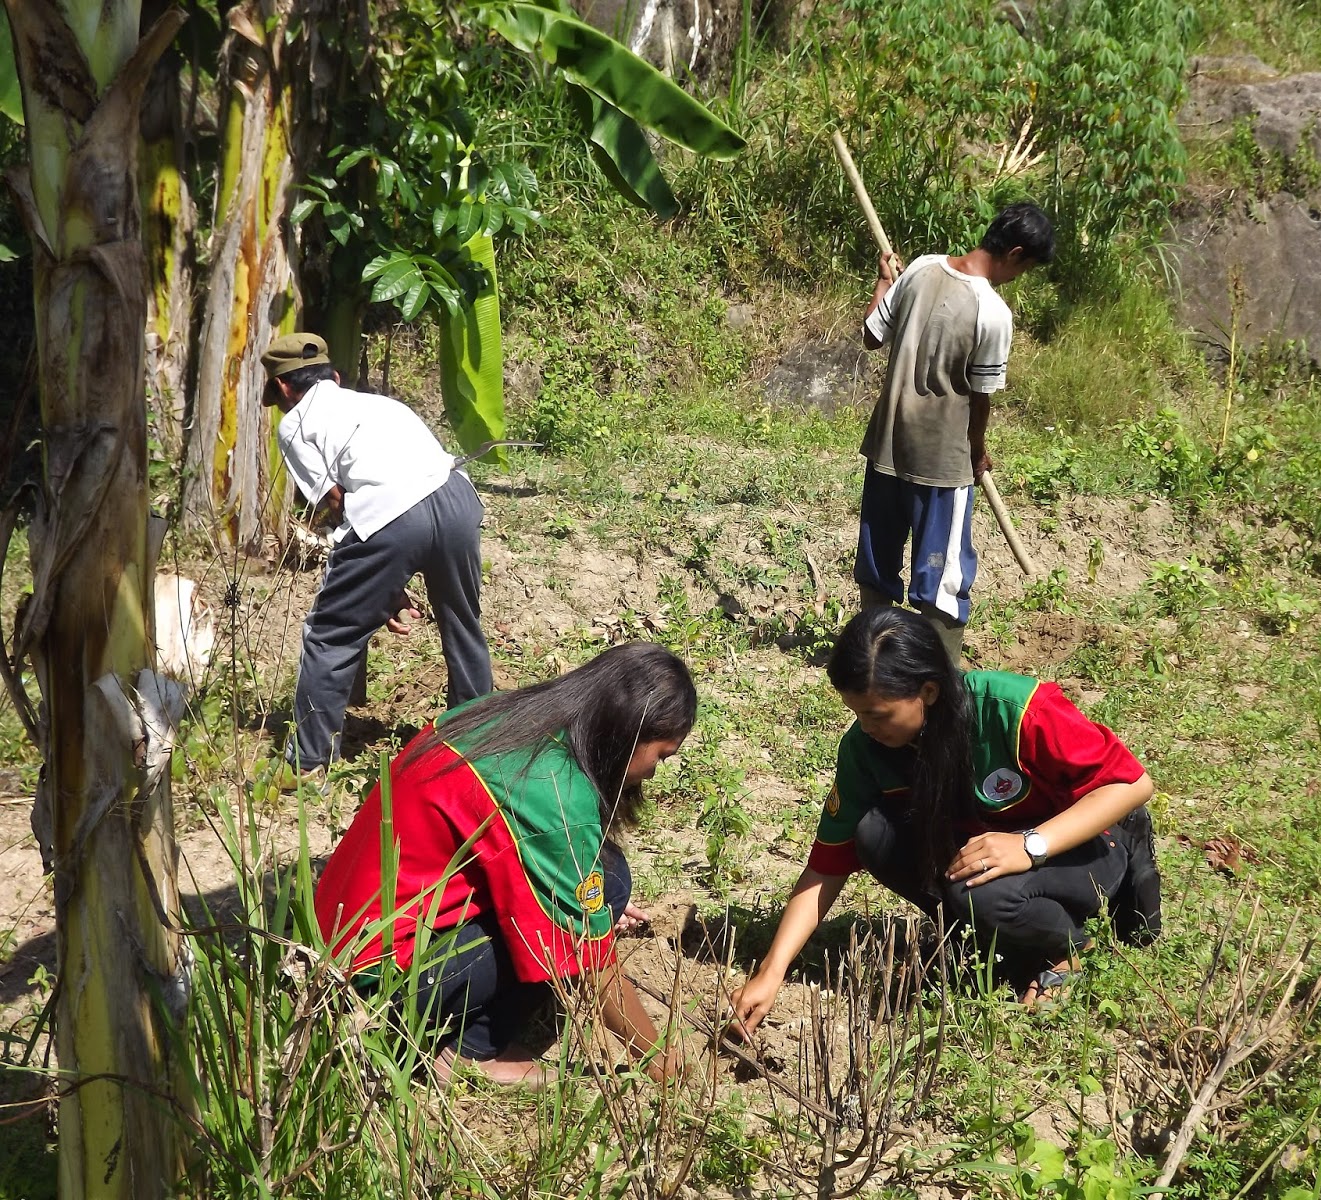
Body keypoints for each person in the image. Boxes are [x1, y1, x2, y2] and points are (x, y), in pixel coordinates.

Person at [729, 608, 1160, 1030]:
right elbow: (827, 866)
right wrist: (772, 971)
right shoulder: (866, 749)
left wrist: (1030, 844)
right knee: (873, 833)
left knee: (983, 896)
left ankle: (1066, 950)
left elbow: (1133, 785)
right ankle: (986, 934)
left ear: (929, 692)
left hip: (1084, 850)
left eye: (878, 714)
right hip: (987, 861)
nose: (866, 726)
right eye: (857, 712)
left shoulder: (1014, 709)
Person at [314, 641, 695, 1085]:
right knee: (563, 926)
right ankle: (472, 1048)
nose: (652, 773)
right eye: (660, 756)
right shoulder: (551, 793)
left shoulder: (510, 716)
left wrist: (584, 897)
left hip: (339, 926)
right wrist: (657, 1059)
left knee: (606, 880)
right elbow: (587, 963)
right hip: (375, 982)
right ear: (627, 732)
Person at [261, 332, 493, 775]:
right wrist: (387, 582)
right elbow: (416, 487)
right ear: (334, 376)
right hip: (457, 498)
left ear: (284, 388)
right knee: (462, 624)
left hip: (393, 517)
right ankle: (475, 744)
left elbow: (337, 501)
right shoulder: (384, 405)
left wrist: (383, 579)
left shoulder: (292, 425)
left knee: (331, 633)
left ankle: (308, 762)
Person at [855, 203, 1056, 665]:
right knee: (942, 572)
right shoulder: (993, 312)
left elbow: (871, 335)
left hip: (887, 442)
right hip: (942, 460)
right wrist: (978, 452)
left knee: (878, 554)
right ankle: (939, 672)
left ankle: (870, 660)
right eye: (1024, 269)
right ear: (1017, 253)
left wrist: (885, 281)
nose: (1018, 277)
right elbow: (980, 398)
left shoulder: (922, 268)